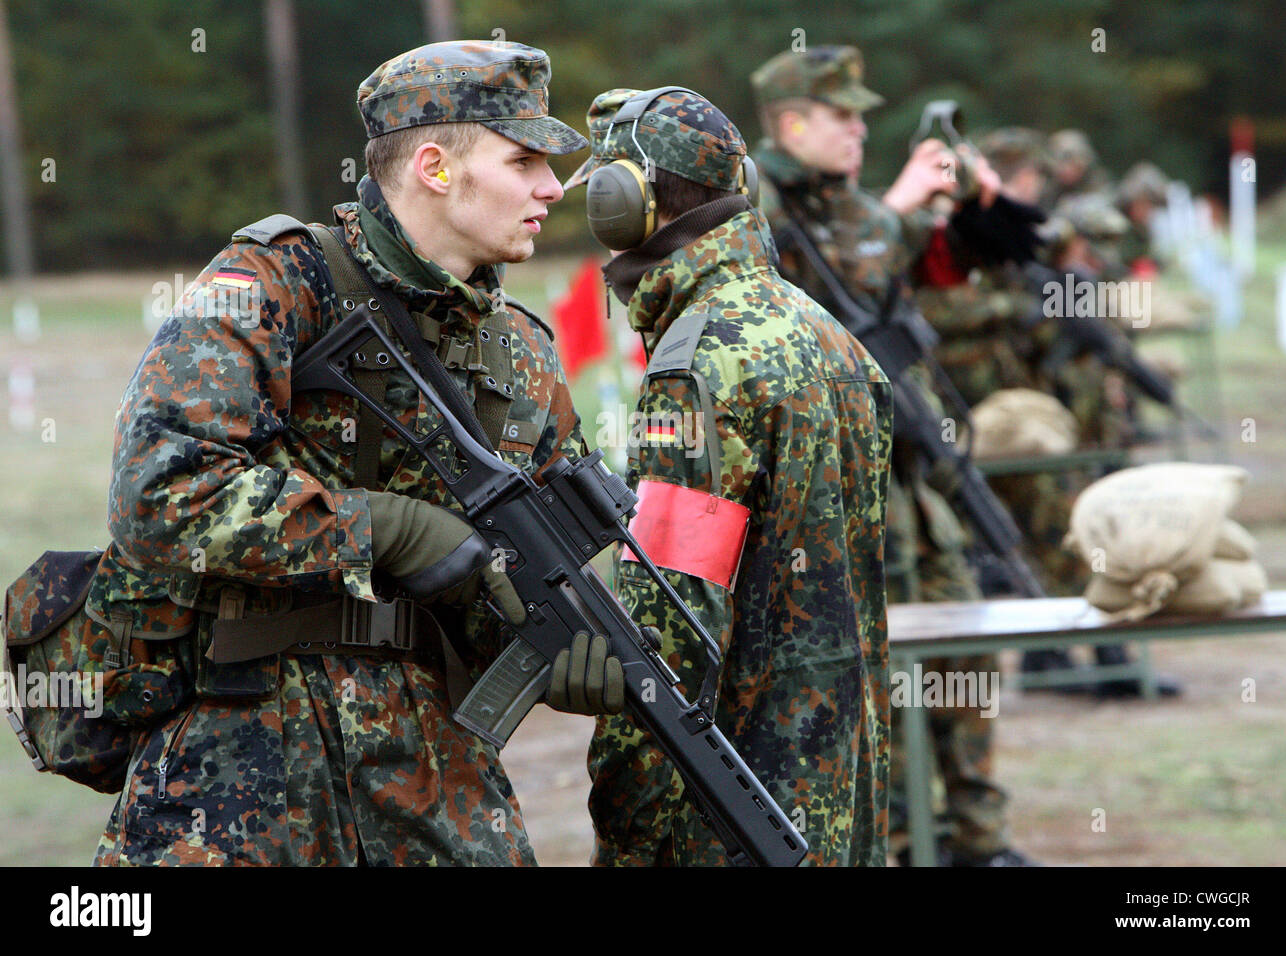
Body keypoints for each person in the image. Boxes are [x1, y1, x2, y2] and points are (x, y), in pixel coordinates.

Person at [89, 40, 622, 866]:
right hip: (244, 767)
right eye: (524, 160)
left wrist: (558, 649)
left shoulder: (523, 353)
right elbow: (156, 496)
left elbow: (519, 578)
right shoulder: (273, 283)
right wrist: (387, 530)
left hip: (434, 779)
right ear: (437, 168)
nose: (553, 187)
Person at [566, 86, 893, 866]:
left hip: (729, 811)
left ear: (626, 204)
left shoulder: (698, 366)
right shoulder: (831, 336)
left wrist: (628, 826)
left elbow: (669, 631)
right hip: (839, 800)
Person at [750, 46, 1035, 866]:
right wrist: (902, 202)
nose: (859, 128)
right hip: (839, 489)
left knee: (963, 653)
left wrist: (946, 199)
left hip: (911, 474)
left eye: (862, 115)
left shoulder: (857, 209)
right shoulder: (760, 206)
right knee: (888, 668)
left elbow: (931, 262)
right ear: (793, 122)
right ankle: (908, 840)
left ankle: (980, 838)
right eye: (843, 115)